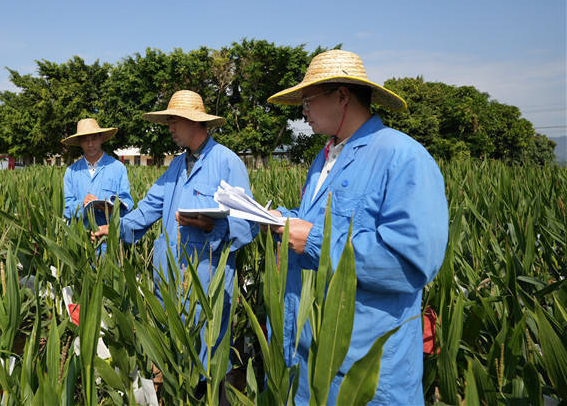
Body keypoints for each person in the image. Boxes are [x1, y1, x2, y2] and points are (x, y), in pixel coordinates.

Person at [264, 50, 449, 405]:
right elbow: (323, 223)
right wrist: (279, 220)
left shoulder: (403, 156)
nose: (303, 110)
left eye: (308, 100)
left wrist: (313, 240)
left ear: (342, 95)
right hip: (310, 358)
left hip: (363, 370)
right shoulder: (325, 157)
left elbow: (410, 263)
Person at [92, 90, 257, 400]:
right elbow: (147, 211)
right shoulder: (177, 166)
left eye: (173, 120)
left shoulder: (226, 162)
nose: (169, 126)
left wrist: (215, 226)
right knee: (175, 364)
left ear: (194, 122)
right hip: (169, 286)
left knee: (209, 367)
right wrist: (115, 229)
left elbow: (248, 224)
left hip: (206, 287)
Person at [62, 118, 134, 254]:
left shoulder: (118, 168)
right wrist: (81, 205)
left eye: (94, 138)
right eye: (85, 140)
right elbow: (65, 207)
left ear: (101, 138)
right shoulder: (71, 171)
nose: (90, 144)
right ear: (79, 143)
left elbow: (128, 202)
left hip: (110, 243)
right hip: (80, 243)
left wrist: (110, 207)